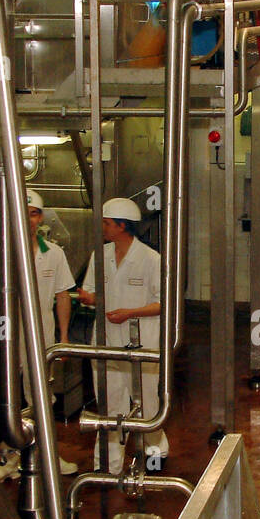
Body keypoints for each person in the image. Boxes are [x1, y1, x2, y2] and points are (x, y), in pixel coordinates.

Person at [77, 196, 169, 474]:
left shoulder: (151, 259)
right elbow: (89, 293)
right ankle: (108, 465)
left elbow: (163, 303)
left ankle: (156, 451)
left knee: (147, 403)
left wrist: (130, 312)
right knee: (110, 401)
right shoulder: (99, 255)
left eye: (106, 223)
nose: (103, 228)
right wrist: (90, 299)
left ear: (122, 226)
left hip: (143, 340)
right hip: (106, 339)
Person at [0, 189, 77, 479]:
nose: (29, 219)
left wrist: (64, 337)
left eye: (34, 213)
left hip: (41, 332)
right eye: (24, 212)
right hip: (6, 331)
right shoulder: (1, 251)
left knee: (41, 396)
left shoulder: (53, 253)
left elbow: (63, 295)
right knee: (7, 396)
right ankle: (9, 456)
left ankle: (47, 455)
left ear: (40, 217)